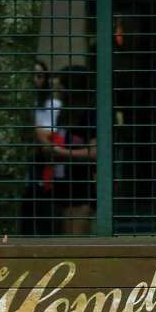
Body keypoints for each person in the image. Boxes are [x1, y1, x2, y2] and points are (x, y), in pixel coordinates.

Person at [51, 65, 98, 235]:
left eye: (62, 85)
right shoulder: (62, 113)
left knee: (76, 237)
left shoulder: (90, 114)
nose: (58, 90)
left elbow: (95, 152)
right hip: (63, 182)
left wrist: (60, 152)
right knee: (66, 236)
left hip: (82, 183)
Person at [21, 61, 63, 235]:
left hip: (47, 169)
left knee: (46, 220)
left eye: (39, 76)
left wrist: (35, 131)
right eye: (31, 75)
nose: (35, 80)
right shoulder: (18, 107)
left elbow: (54, 138)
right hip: (23, 169)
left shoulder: (55, 105)